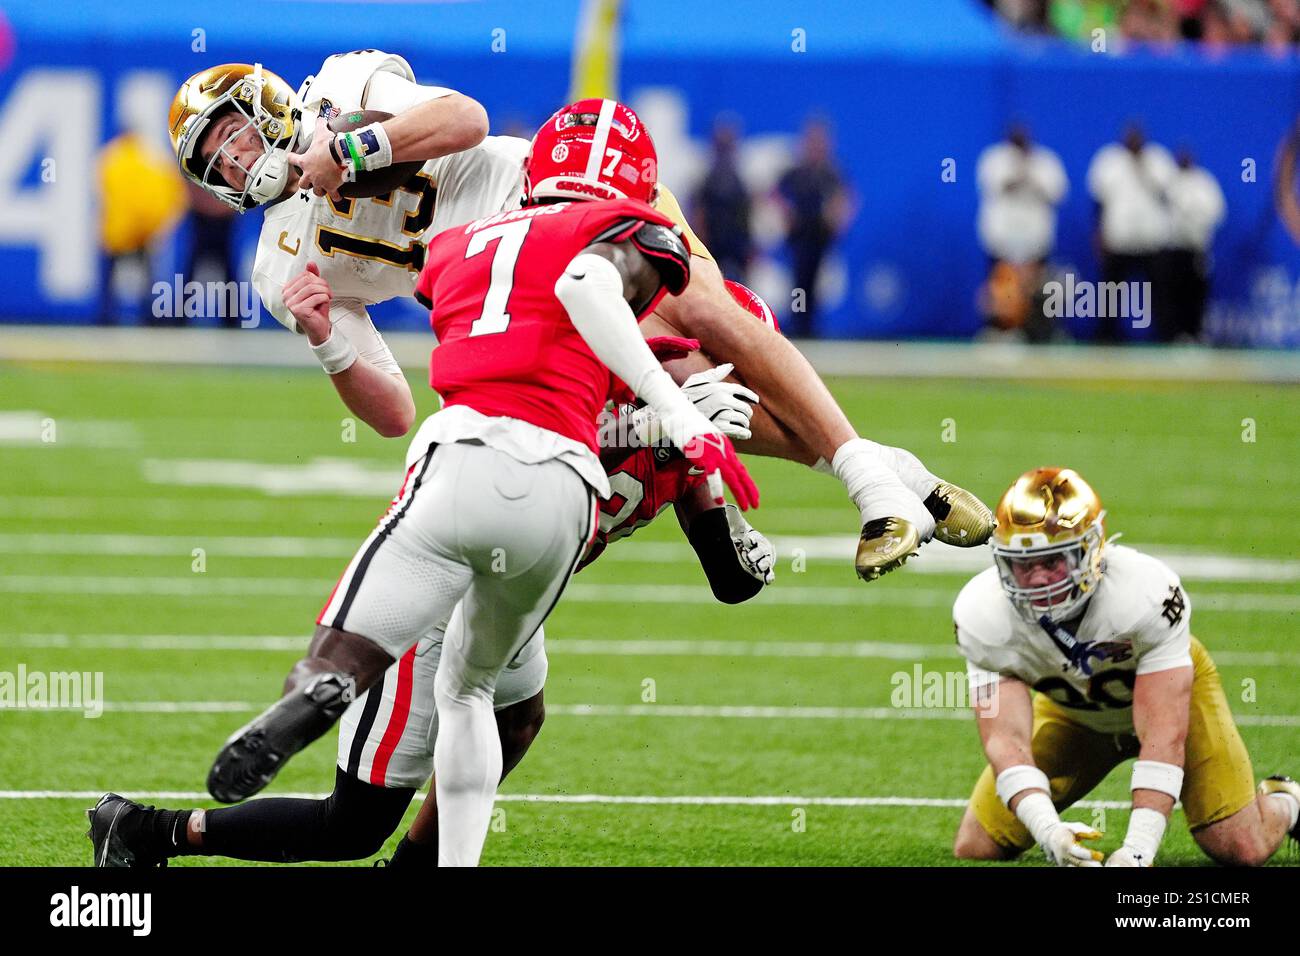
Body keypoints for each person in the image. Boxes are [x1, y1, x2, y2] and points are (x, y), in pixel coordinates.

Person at [169, 54, 994, 584]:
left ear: (268, 105)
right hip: (507, 285)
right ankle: (897, 476)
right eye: (218, 165)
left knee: (702, 310)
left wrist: (348, 152)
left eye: (236, 140)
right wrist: (324, 342)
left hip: (557, 193)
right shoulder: (280, 269)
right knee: (685, 388)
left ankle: (871, 483)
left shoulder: (344, 86)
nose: (238, 165)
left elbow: (467, 120)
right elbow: (393, 414)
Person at [200, 99, 755, 868]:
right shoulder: (616, 250)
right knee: (484, 703)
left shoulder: (457, 248)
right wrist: (679, 417)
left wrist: (667, 412)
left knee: (369, 669)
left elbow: (472, 327)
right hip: (562, 499)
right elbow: (601, 296)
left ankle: (318, 682)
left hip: (463, 458)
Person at [87, 296, 775, 869]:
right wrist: (655, 422)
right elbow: (520, 443)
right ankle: (148, 830)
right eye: (719, 361)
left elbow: (728, 576)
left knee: (517, 719)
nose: (730, 382)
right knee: (350, 828)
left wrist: (745, 548)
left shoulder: (694, 449)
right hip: (448, 581)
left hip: (508, 602)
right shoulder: (599, 373)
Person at [951, 467, 1300, 866]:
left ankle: (1286, 798)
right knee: (979, 845)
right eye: (1024, 565)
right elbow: (1005, 743)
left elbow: (1164, 736)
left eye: (1053, 562)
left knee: (1240, 847)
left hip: (1169, 702)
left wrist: (1137, 852)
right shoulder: (982, 615)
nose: (1038, 580)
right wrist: (1048, 830)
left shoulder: (1143, 595)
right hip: (1076, 713)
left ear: (1090, 551)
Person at [975, 123, 1068, 342]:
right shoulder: (994, 159)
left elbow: (1055, 194)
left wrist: (1029, 174)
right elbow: (1001, 186)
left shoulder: (1046, 161)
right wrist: (1021, 170)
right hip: (1002, 239)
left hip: (1035, 239)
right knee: (1002, 288)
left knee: (1036, 288)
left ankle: (1038, 332)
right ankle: (999, 331)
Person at [1086, 123, 1176, 342]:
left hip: (1151, 240)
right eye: (1130, 136)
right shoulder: (1109, 160)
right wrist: (1099, 234)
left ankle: (1166, 336)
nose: (1133, 140)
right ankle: (1106, 337)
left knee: (1160, 292)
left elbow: (1169, 195)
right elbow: (1098, 201)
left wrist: (1142, 168)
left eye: (1137, 137)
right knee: (1110, 292)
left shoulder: (1158, 159)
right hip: (1118, 239)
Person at [774, 118, 851, 338]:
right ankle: (799, 327)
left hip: (820, 238)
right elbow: (776, 194)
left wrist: (837, 217)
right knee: (799, 282)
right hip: (800, 238)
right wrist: (786, 214)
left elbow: (845, 197)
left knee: (816, 284)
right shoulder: (798, 172)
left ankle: (810, 328)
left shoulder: (830, 172)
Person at [1163, 147, 1225, 342]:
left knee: (1196, 293)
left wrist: (1192, 215)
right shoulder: (1167, 180)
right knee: (1172, 293)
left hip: (1197, 248)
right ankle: (1173, 335)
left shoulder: (1204, 182)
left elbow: (1217, 212)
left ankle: (1195, 333)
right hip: (1173, 248)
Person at [693, 118, 752, 282]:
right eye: (721, 145)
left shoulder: (740, 181)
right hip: (713, 244)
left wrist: (749, 247)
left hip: (736, 246)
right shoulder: (707, 180)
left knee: (739, 290)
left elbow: (747, 214)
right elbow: (699, 212)